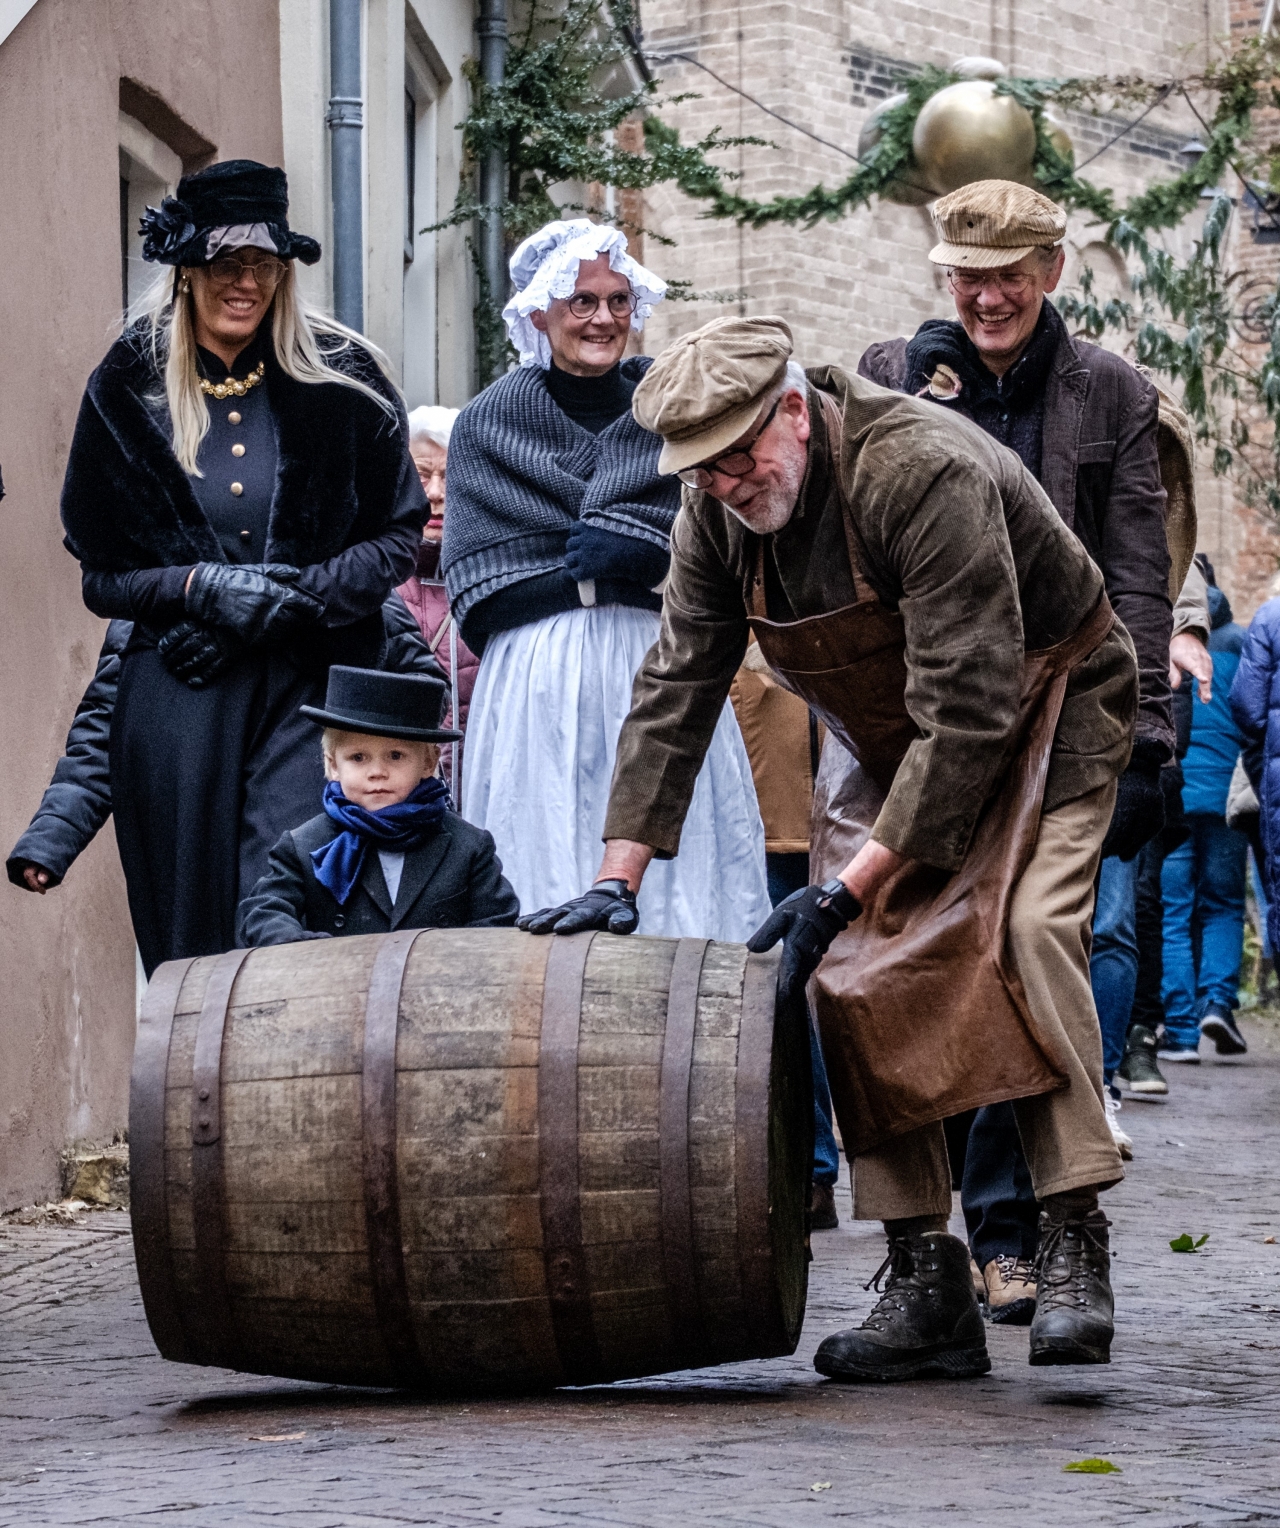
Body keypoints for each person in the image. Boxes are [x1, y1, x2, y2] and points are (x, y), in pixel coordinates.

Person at [522, 313, 1137, 1380]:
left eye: (735, 458)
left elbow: (975, 708)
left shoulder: (919, 470)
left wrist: (839, 890)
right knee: (844, 979)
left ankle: (1070, 1231)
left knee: (1026, 933)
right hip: (897, 733)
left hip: (1043, 705)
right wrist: (614, 876)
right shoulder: (715, 510)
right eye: (699, 472)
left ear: (793, 413)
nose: (722, 485)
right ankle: (925, 1276)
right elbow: (676, 681)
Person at [858, 179, 1180, 1302]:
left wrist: (1147, 733)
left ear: (1048, 274)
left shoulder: (1106, 391)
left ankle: (1019, 1233)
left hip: (1057, 702)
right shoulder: (893, 370)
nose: (985, 297)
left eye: (1006, 276)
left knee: (1024, 950)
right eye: (965, 275)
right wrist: (919, 390)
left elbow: (1137, 568)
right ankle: (930, 1253)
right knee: (919, 963)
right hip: (931, 716)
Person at [59, 160, 424, 974]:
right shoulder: (127, 386)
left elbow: (395, 538)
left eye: (264, 264)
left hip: (312, 683)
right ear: (186, 270)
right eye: (227, 264)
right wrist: (200, 591)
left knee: (289, 912)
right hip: (177, 698)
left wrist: (286, 601)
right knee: (188, 944)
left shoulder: (347, 380)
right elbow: (102, 575)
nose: (247, 282)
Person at [443, 220, 770, 938]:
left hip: (661, 662)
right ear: (540, 312)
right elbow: (478, 592)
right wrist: (583, 582)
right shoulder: (485, 425)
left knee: (681, 871)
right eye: (582, 301)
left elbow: (729, 548)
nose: (604, 319)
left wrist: (651, 565)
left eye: (618, 301)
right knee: (543, 843)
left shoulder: (676, 412)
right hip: (536, 684)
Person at [6, 598, 440, 897]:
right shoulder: (155, 595)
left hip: (304, 805)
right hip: (187, 820)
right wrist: (54, 835)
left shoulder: (333, 575)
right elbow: (106, 723)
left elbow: (421, 692)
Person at [237, 667, 518, 943]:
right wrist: (292, 943)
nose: (377, 772)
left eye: (395, 756)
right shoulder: (302, 846)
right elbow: (264, 909)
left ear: (429, 763)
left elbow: (498, 926)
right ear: (333, 765)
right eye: (358, 757)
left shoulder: (469, 847)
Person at [730, 646, 841, 1227]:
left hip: (800, 814)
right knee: (782, 987)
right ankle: (809, 1168)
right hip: (755, 803)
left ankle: (814, 1169)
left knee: (791, 984)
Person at [1159, 573, 1248, 1058]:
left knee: (1174, 911)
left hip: (1175, 793)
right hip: (1226, 801)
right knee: (1224, 905)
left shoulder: (1164, 639)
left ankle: (1181, 1030)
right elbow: (1254, 713)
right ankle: (1218, 1002)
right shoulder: (1242, 643)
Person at [396, 406, 479, 794]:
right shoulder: (373, 584)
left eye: (450, 477)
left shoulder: (494, 582)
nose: (434, 493)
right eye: (421, 476)